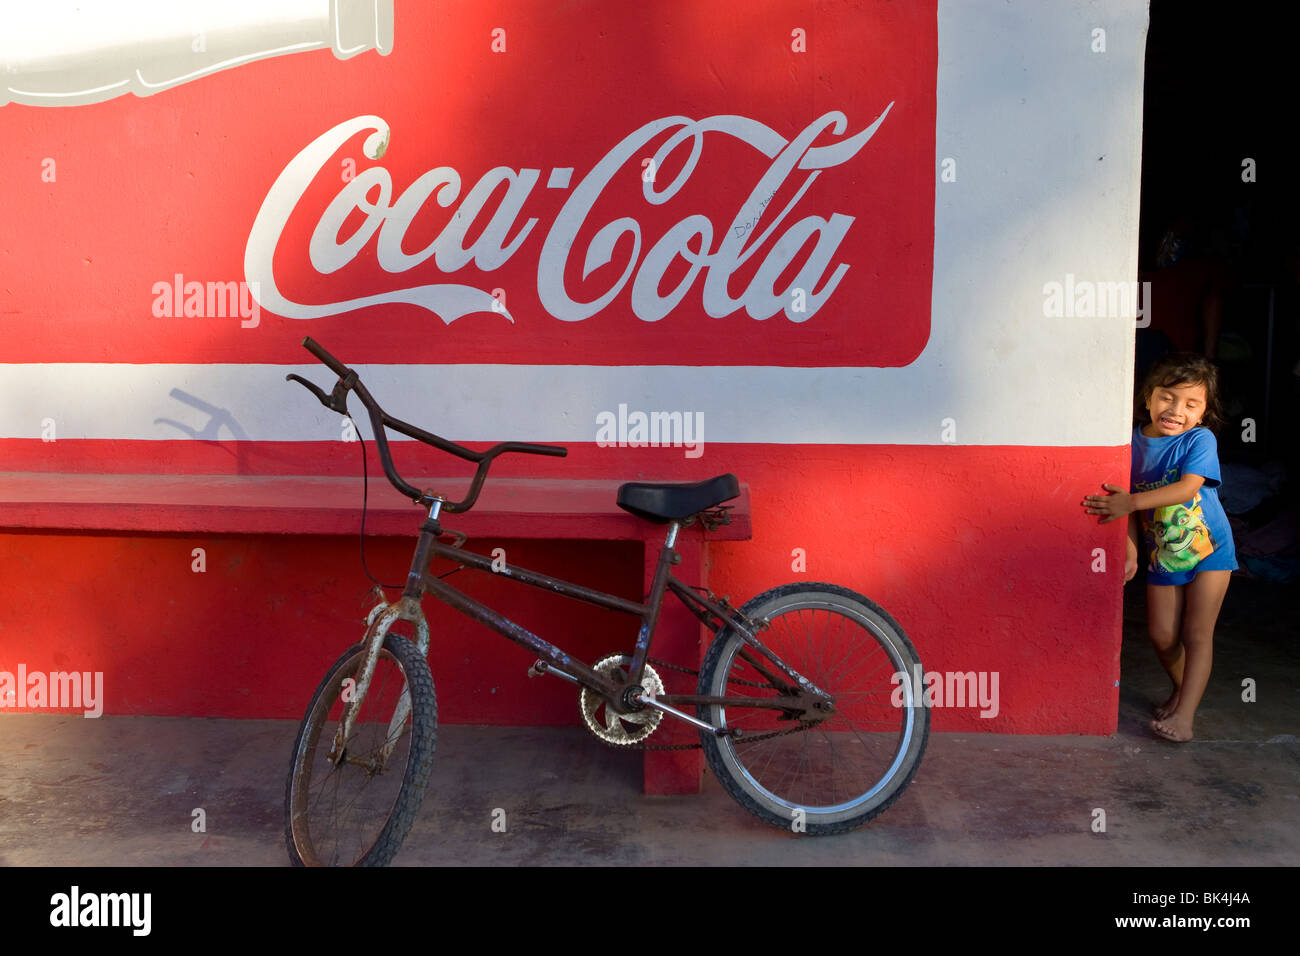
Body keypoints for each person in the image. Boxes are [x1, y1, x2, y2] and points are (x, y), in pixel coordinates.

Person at [1082, 352, 1237, 742]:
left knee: (1197, 633)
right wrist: (1131, 551)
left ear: (1203, 413)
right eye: (1167, 397)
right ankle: (1183, 693)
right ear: (1149, 397)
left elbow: (1187, 488)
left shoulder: (1200, 439)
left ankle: (1185, 717)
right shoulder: (1130, 443)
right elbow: (1125, 504)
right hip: (1162, 555)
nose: (1176, 410)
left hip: (1210, 549)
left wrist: (1129, 503)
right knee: (1162, 636)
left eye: (1191, 404)